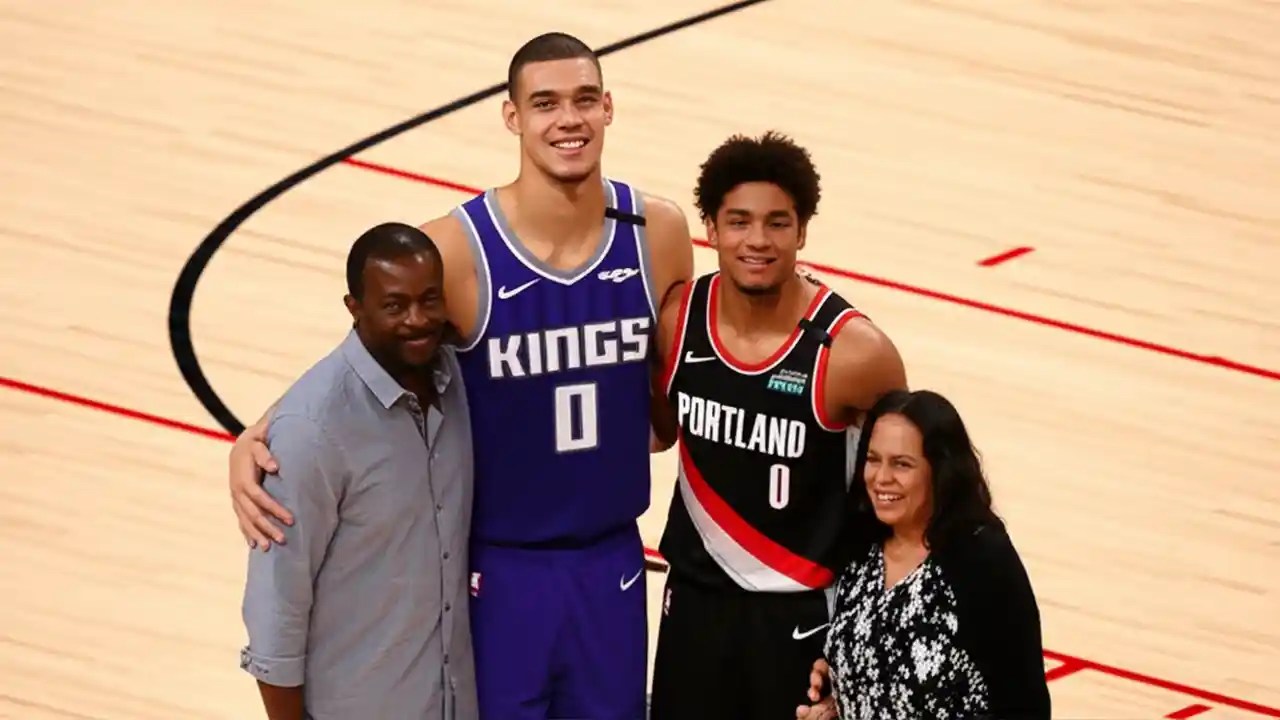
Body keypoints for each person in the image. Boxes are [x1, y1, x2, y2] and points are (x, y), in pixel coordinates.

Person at [228, 32, 694, 720]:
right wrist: (258, 435)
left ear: (609, 108)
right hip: (500, 569)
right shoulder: (458, 247)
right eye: (545, 103)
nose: (568, 119)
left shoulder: (656, 230)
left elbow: (685, 372)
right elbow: (366, 354)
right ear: (512, 117)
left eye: (584, 100)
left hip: (613, 559)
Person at [645, 131, 909, 719]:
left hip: (802, 619)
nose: (757, 240)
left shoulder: (854, 354)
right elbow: (659, 433)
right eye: (738, 222)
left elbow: (904, 509)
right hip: (694, 604)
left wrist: (866, 650)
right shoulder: (678, 322)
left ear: (803, 230)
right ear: (709, 228)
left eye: (777, 223)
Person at [238, 222, 477, 719]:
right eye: (394, 306)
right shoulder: (310, 432)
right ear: (354, 308)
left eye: (429, 300)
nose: (417, 319)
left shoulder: (456, 380)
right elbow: (275, 613)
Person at [796, 389, 1051, 720]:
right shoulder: (859, 544)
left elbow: (1025, 702)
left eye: (902, 464)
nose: (881, 478)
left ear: (940, 471)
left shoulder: (981, 559)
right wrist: (838, 695)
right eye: (873, 459)